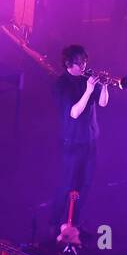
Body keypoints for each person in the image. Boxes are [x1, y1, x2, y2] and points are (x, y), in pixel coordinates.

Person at [51, 45, 109, 240]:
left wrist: (105, 86)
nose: (84, 65)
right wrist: (88, 89)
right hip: (72, 141)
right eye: (80, 62)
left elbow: (102, 103)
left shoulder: (87, 79)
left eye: (85, 61)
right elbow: (74, 112)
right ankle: (58, 223)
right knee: (68, 184)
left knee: (85, 184)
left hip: (90, 140)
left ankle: (74, 223)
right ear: (70, 64)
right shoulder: (62, 84)